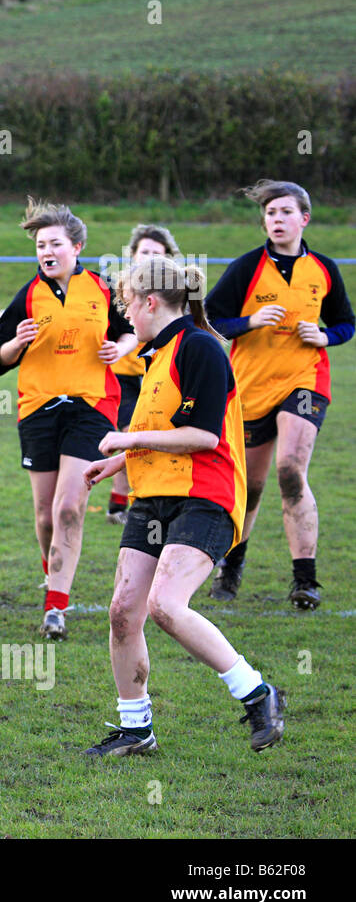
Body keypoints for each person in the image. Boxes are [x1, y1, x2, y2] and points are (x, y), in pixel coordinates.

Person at [81, 255, 284, 756]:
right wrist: (122, 459)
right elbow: (165, 435)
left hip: (205, 496)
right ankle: (136, 728)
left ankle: (257, 692)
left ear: (150, 301)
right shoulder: (158, 355)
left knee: (165, 605)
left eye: (127, 303)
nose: (125, 315)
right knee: (124, 610)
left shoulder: (200, 349)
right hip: (153, 498)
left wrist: (124, 438)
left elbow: (201, 435)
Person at [0, 198, 137, 641]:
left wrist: (122, 348)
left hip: (92, 407)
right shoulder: (28, 296)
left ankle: (56, 607)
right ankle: (52, 574)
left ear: (75, 247)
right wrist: (17, 342)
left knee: (70, 506)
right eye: (39, 246)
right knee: (45, 514)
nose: (46, 253)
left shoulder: (103, 288)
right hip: (38, 409)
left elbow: (130, 330)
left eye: (54, 244)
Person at [204, 180, 352, 610]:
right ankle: (232, 564)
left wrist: (325, 337)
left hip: (305, 382)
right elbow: (211, 318)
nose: (277, 220)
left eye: (286, 212)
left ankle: (305, 580)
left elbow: (346, 322)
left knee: (290, 468)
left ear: (304, 218)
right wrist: (248, 322)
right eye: (270, 213)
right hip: (250, 388)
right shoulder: (246, 268)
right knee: (249, 487)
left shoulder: (323, 269)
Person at [104, 224, 183, 524]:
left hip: (159, 379)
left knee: (156, 438)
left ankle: (143, 500)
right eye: (144, 252)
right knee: (128, 437)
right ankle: (118, 505)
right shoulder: (119, 293)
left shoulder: (172, 298)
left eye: (156, 254)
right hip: (123, 379)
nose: (149, 258)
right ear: (133, 255)